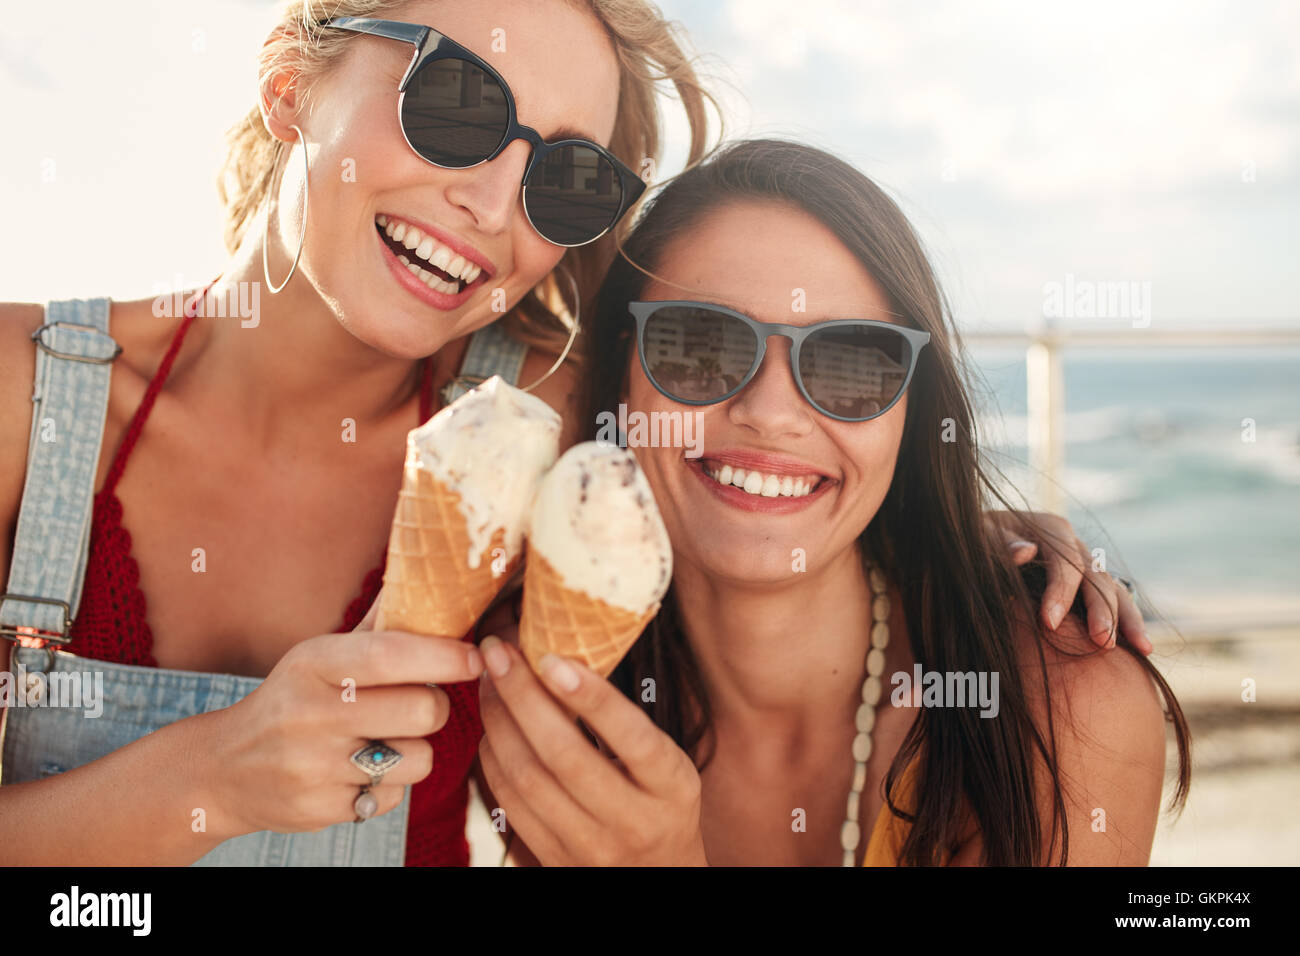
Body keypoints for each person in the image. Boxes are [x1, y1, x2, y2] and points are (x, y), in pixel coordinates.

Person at [0, 0, 716, 866]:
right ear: (289, 86)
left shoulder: (562, 448)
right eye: (455, 103)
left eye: (567, 179)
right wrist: (211, 778)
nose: (491, 206)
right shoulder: (22, 393)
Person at [473, 139, 1191, 866]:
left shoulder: (1062, 708)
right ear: (622, 373)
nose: (771, 412)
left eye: (852, 361)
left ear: (911, 413)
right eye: (700, 342)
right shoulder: (538, 681)